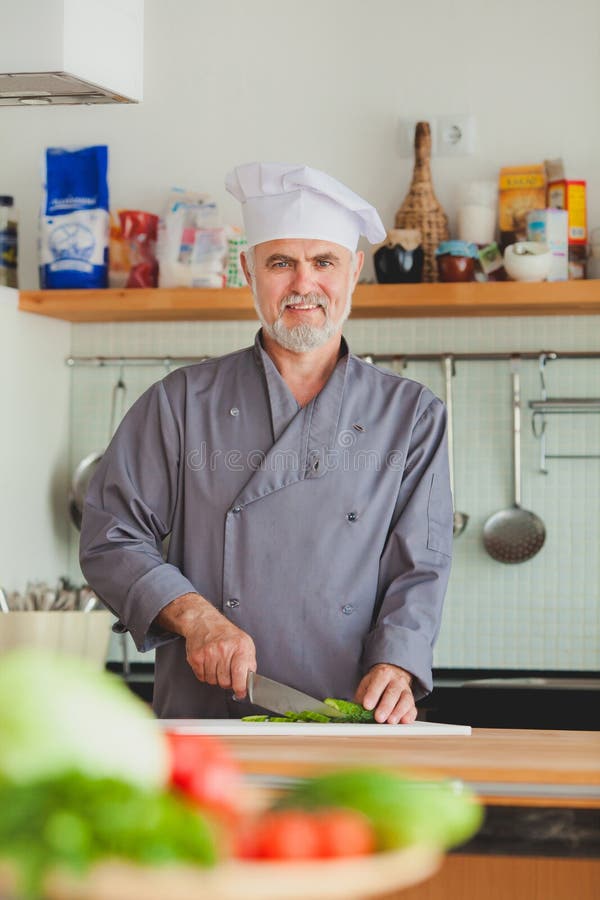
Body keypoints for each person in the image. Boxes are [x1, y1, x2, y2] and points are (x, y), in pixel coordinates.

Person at [80, 162, 453, 724]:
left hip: (350, 713)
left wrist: (397, 665)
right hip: (208, 715)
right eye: (281, 263)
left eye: (323, 262)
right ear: (248, 272)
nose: (304, 284)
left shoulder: (412, 414)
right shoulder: (179, 402)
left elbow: (420, 566)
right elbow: (111, 537)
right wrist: (197, 618)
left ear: (353, 271)